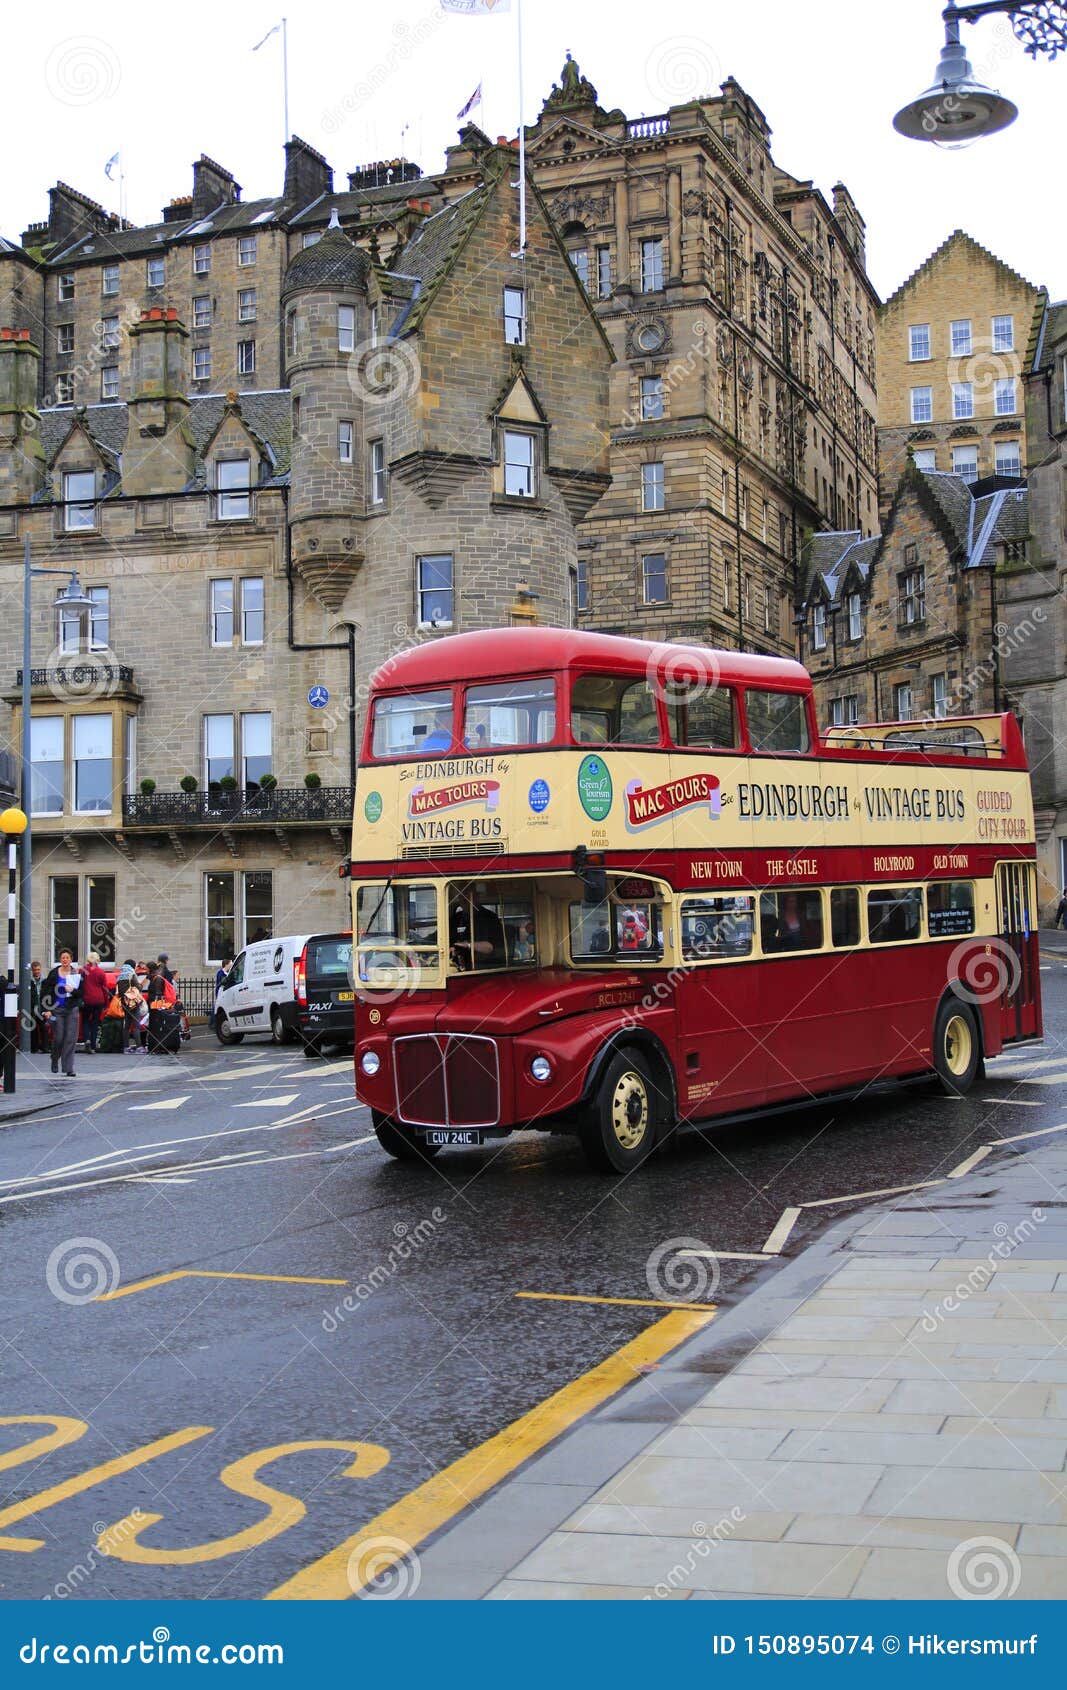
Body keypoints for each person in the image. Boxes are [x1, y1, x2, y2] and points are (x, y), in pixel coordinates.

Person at [40, 951, 83, 1077]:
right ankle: (54, 1058)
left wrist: (73, 990)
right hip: (56, 1010)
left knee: (70, 1038)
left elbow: (81, 993)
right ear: (60, 959)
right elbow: (45, 992)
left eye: (67, 957)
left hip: (71, 1009)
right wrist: (46, 1009)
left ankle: (68, 1068)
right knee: (59, 1038)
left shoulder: (76, 974)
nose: (65, 960)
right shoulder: (54, 974)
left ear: (71, 960)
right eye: (63, 957)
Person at [448, 891, 505, 970]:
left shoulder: (489, 917)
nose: (464, 899)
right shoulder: (456, 918)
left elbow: (490, 947)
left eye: (467, 896)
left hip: (483, 966)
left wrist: (467, 945)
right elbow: (439, 936)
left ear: (476, 898)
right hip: (457, 964)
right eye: (461, 896)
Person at [80, 950, 110, 1054]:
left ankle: (87, 1039)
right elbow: (105, 988)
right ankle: (93, 1046)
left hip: (87, 999)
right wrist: (106, 1003)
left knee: (85, 1021)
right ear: (97, 960)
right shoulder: (101, 972)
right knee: (95, 1023)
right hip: (99, 1000)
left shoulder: (83, 970)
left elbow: (80, 985)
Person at [27, 961, 46, 1053]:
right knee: (33, 1029)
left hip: (42, 1008)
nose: (37, 971)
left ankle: (44, 1047)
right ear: (32, 970)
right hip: (32, 1008)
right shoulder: (29, 981)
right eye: (35, 970)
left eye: (38, 969)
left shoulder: (44, 981)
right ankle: (34, 1048)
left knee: (44, 1028)